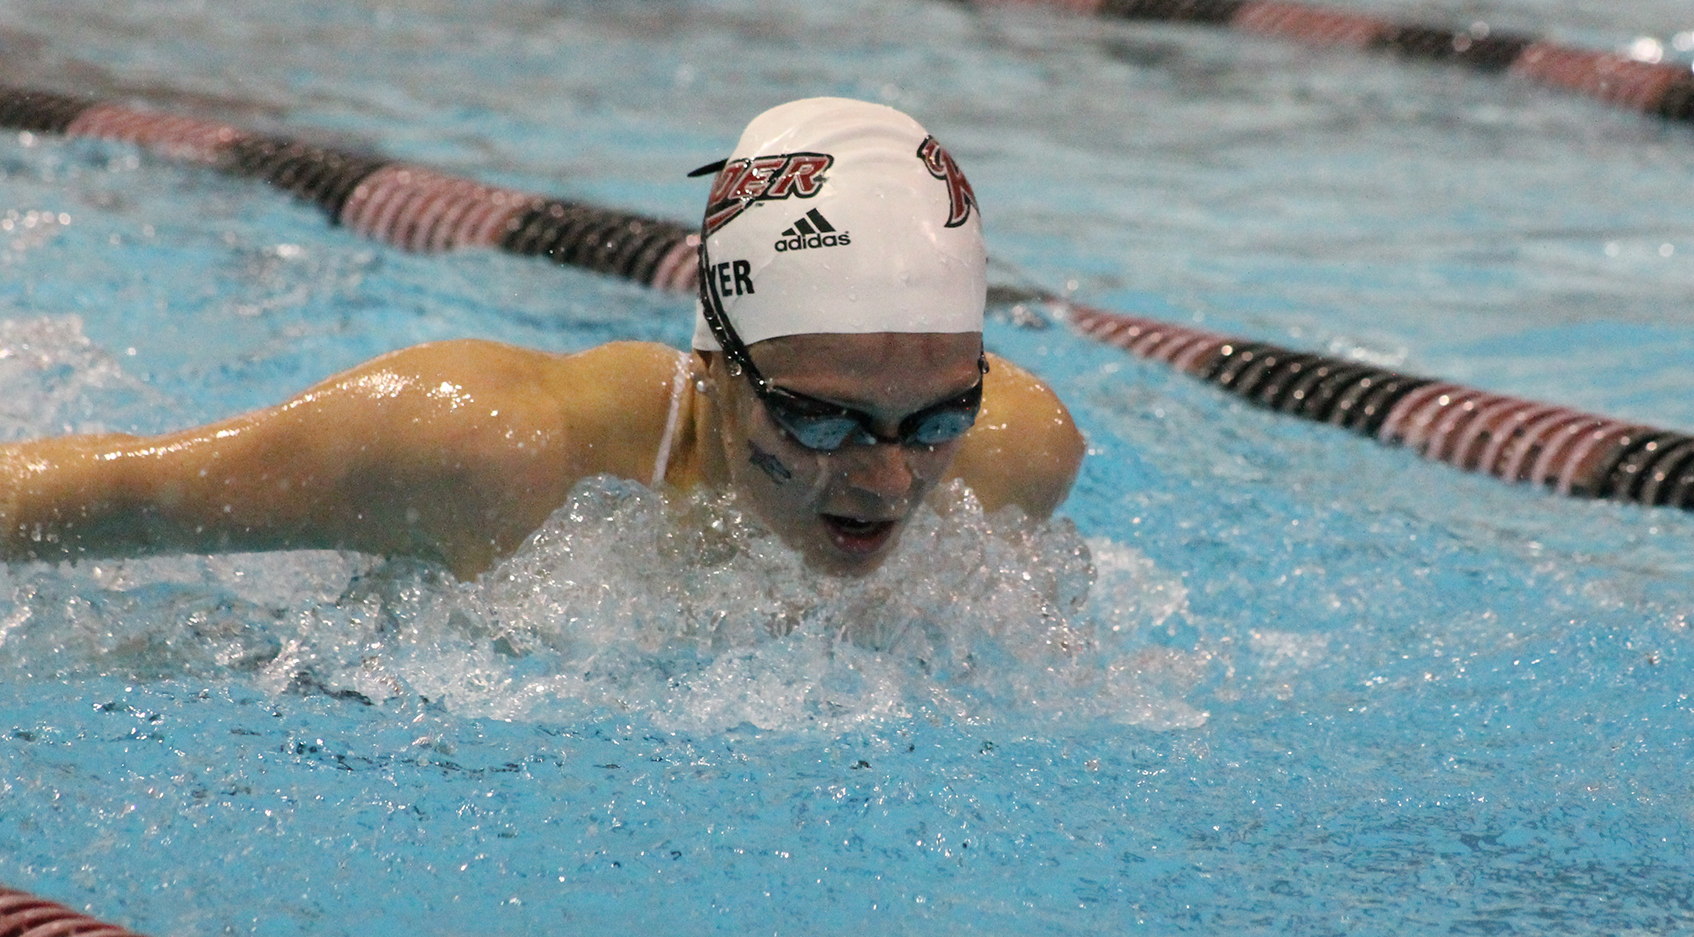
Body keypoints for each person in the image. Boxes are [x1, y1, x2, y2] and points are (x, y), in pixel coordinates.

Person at [0, 98, 1085, 580]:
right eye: (819, 416)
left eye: (939, 414)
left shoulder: (1020, 456)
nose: (890, 479)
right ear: (713, 362)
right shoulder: (485, 452)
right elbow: (106, 496)